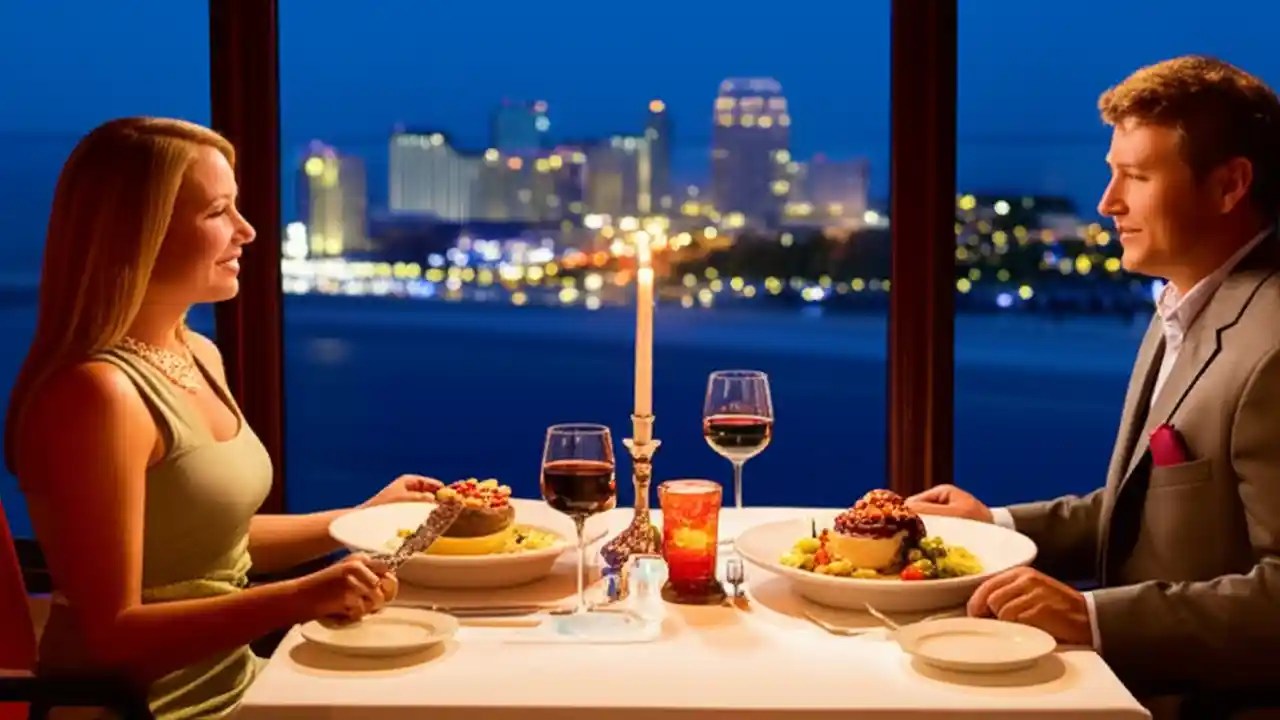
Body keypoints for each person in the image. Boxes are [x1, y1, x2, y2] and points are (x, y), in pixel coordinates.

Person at [2, 117, 443, 719]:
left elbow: (207, 546)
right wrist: (301, 598)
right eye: (218, 212)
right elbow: (110, 635)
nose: (248, 230)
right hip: (142, 708)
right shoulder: (96, 395)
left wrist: (361, 518)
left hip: (243, 686)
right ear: (138, 230)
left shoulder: (196, 354)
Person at [907, 56, 1280, 716]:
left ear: (1230, 185)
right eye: (1112, 174)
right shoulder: (1185, 305)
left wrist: (1092, 619)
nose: (1108, 203)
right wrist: (989, 527)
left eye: (1135, 176)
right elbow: (1148, 505)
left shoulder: (1272, 343)